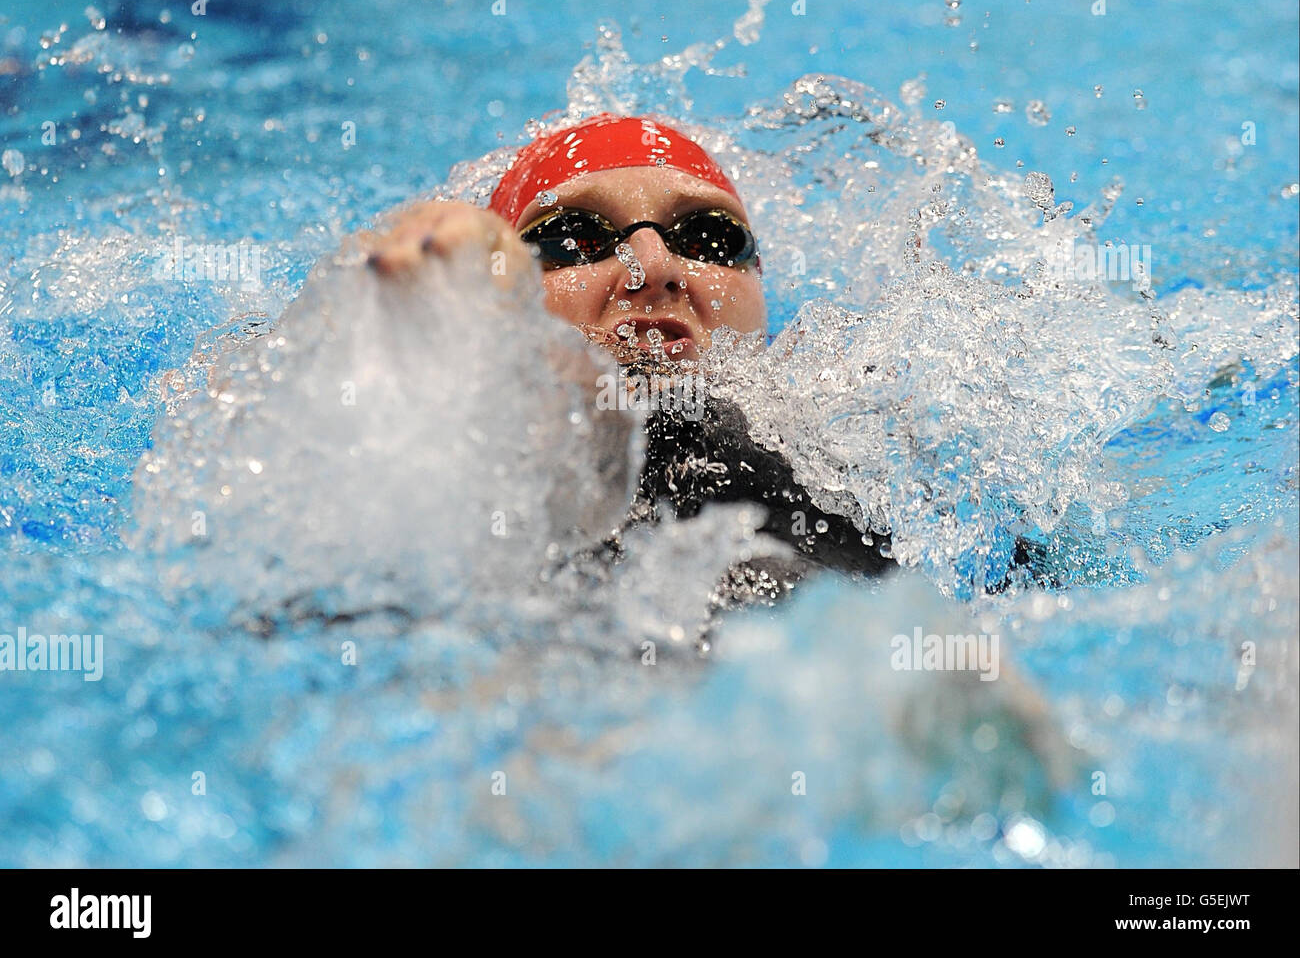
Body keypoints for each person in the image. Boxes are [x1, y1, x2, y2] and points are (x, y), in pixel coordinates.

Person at [352, 114, 1044, 612]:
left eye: (709, 237)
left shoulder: (860, 448)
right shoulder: (452, 457)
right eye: (572, 237)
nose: (653, 266)